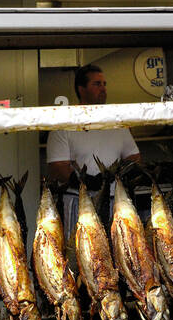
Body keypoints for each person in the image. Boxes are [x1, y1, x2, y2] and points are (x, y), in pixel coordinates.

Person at [46, 64, 141, 231]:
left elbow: (134, 157)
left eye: (104, 84)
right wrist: (83, 182)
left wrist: (118, 173)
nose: (103, 89)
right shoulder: (64, 123)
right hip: (78, 201)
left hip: (116, 200)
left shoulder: (117, 123)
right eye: (97, 84)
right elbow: (57, 166)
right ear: (81, 89)